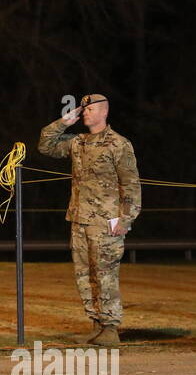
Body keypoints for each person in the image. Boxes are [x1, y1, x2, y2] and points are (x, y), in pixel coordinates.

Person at [37, 93, 142, 345]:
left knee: (105, 274)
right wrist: (64, 122)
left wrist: (125, 220)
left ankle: (111, 327)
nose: (85, 112)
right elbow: (45, 145)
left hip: (106, 221)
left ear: (104, 112)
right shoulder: (78, 142)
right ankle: (96, 323)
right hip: (80, 218)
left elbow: (131, 185)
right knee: (84, 275)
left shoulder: (118, 144)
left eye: (90, 109)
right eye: (83, 109)